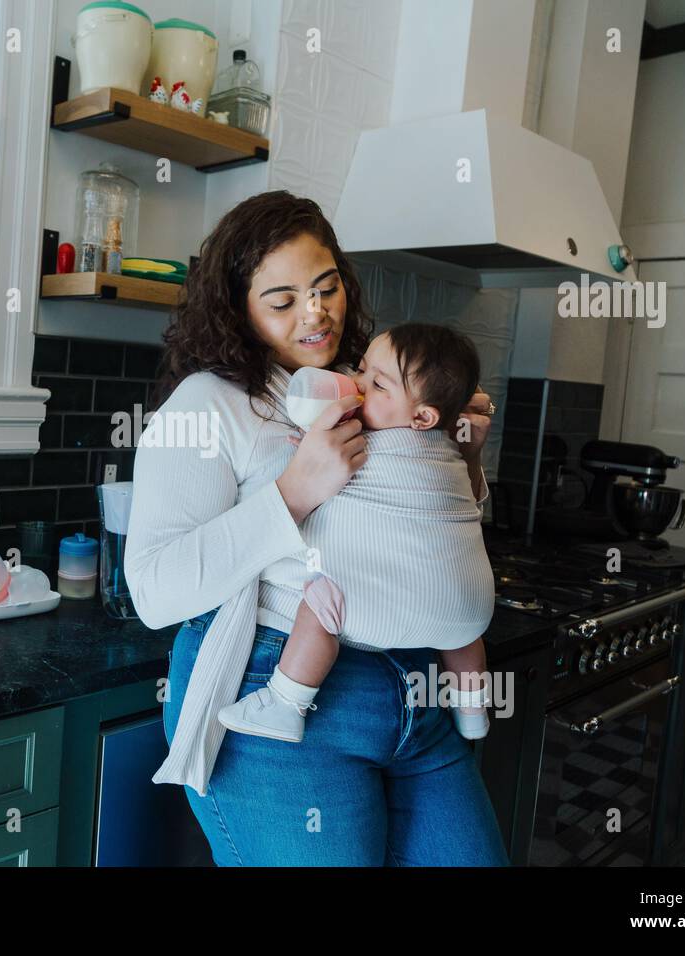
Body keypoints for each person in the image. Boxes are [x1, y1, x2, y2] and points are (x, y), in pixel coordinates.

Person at [124, 190, 509, 865]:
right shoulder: (207, 404)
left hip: (414, 689)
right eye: (282, 300)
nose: (317, 312)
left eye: (327, 287)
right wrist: (293, 492)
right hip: (278, 691)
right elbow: (154, 592)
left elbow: (439, 531)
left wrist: (466, 457)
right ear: (237, 310)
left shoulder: (367, 384)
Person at [217, 325, 495, 745]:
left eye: (376, 384)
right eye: (361, 371)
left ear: (422, 417)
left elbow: (328, 473)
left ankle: (285, 703)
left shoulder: (367, 444)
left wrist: (308, 445)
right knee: (462, 636)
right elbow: (464, 507)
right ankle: (473, 711)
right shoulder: (452, 454)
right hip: (471, 610)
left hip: (371, 617)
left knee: (320, 604)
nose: (358, 388)